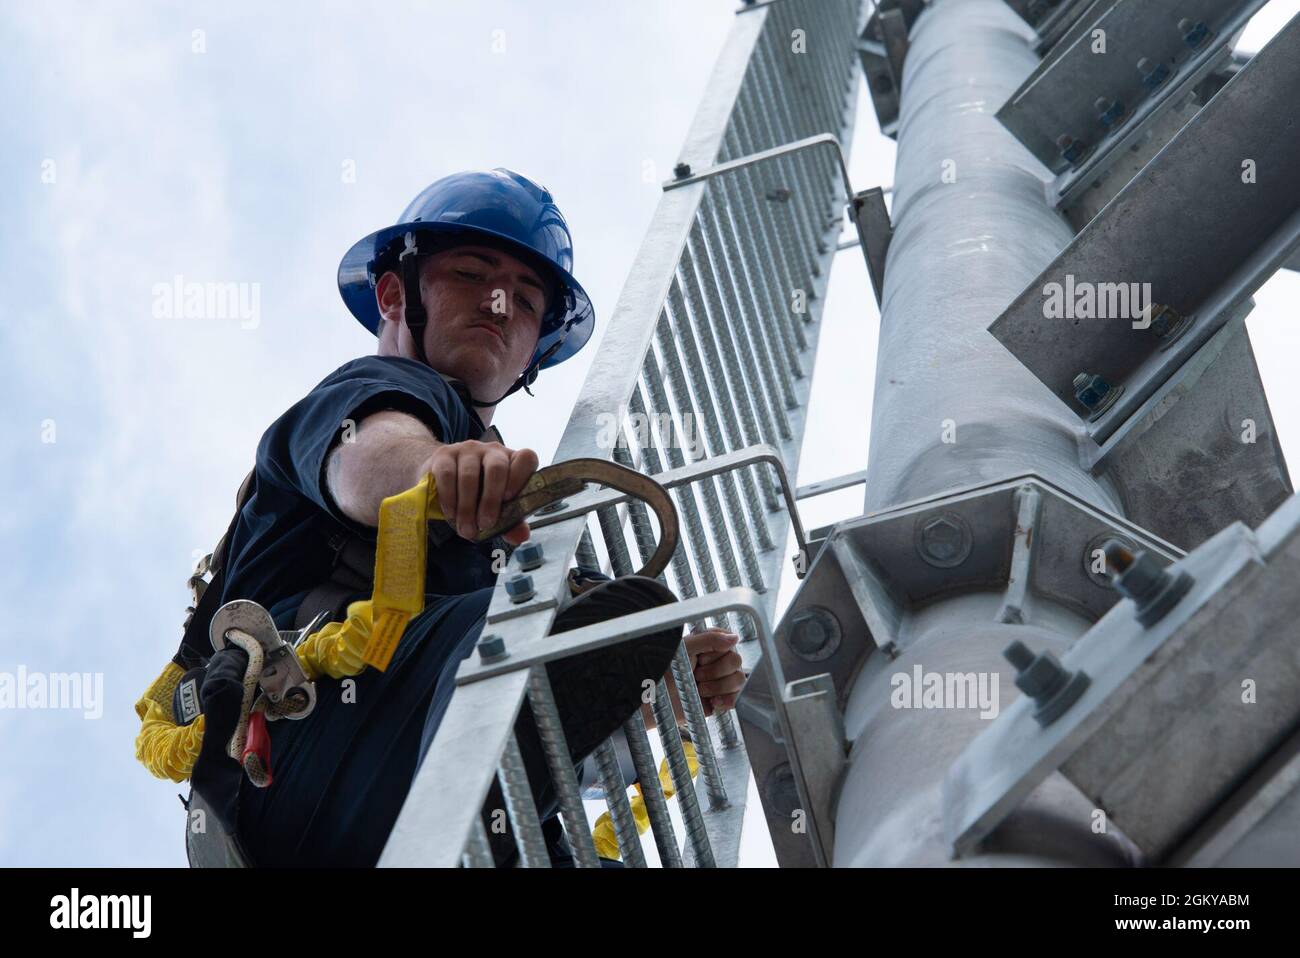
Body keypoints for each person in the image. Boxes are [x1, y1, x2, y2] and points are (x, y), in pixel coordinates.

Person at [186, 169, 746, 867]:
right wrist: (431, 471)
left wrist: (660, 680)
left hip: (400, 787)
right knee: (524, 629)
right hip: (300, 756)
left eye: (529, 297)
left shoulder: (525, 539)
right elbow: (366, 463)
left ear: (538, 346)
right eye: (472, 272)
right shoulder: (369, 397)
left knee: (583, 625)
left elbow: (577, 695)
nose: (501, 300)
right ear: (394, 294)